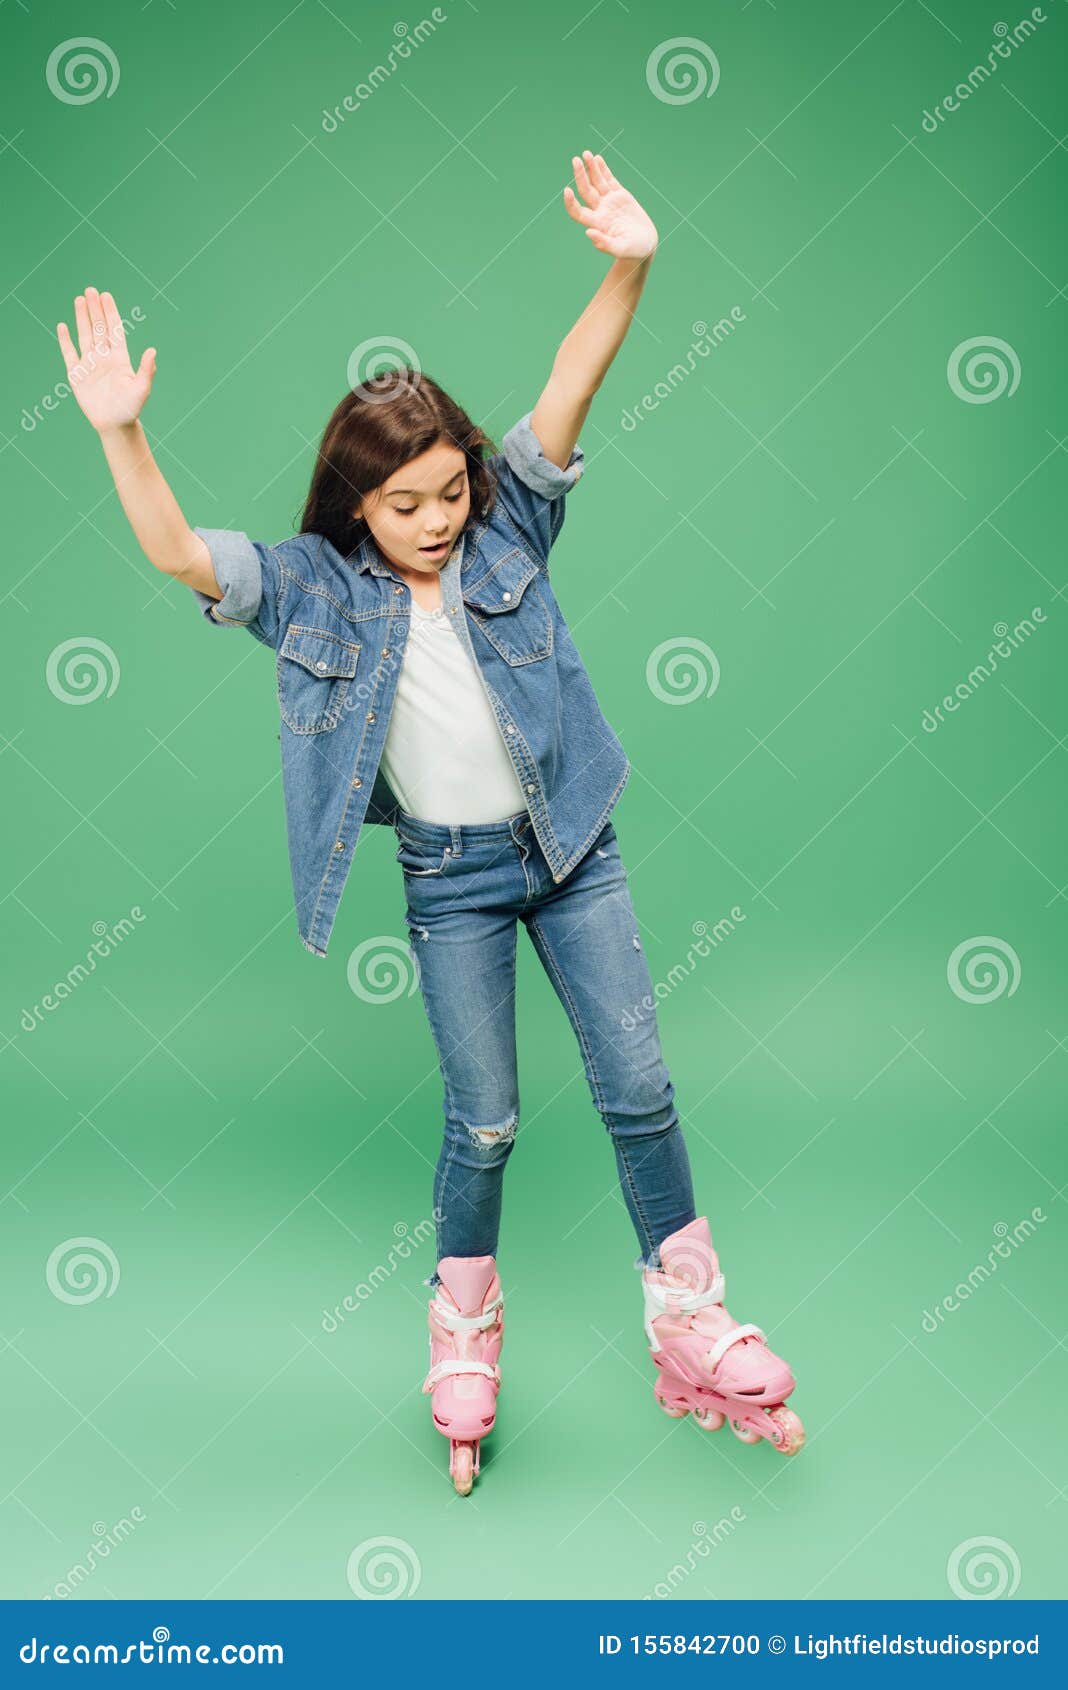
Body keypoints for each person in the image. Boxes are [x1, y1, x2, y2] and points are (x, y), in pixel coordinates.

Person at [57, 150, 801, 1497]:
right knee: (490, 1117)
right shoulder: (309, 589)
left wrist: (632, 263)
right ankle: (464, 1330)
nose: (440, 521)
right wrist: (121, 429)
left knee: (638, 1085)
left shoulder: (512, 518)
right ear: (357, 503)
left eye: (452, 492)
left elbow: (573, 379)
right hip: (453, 879)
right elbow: (182, 555)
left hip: (573, 849)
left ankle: (689, 1315)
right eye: (407, 504)